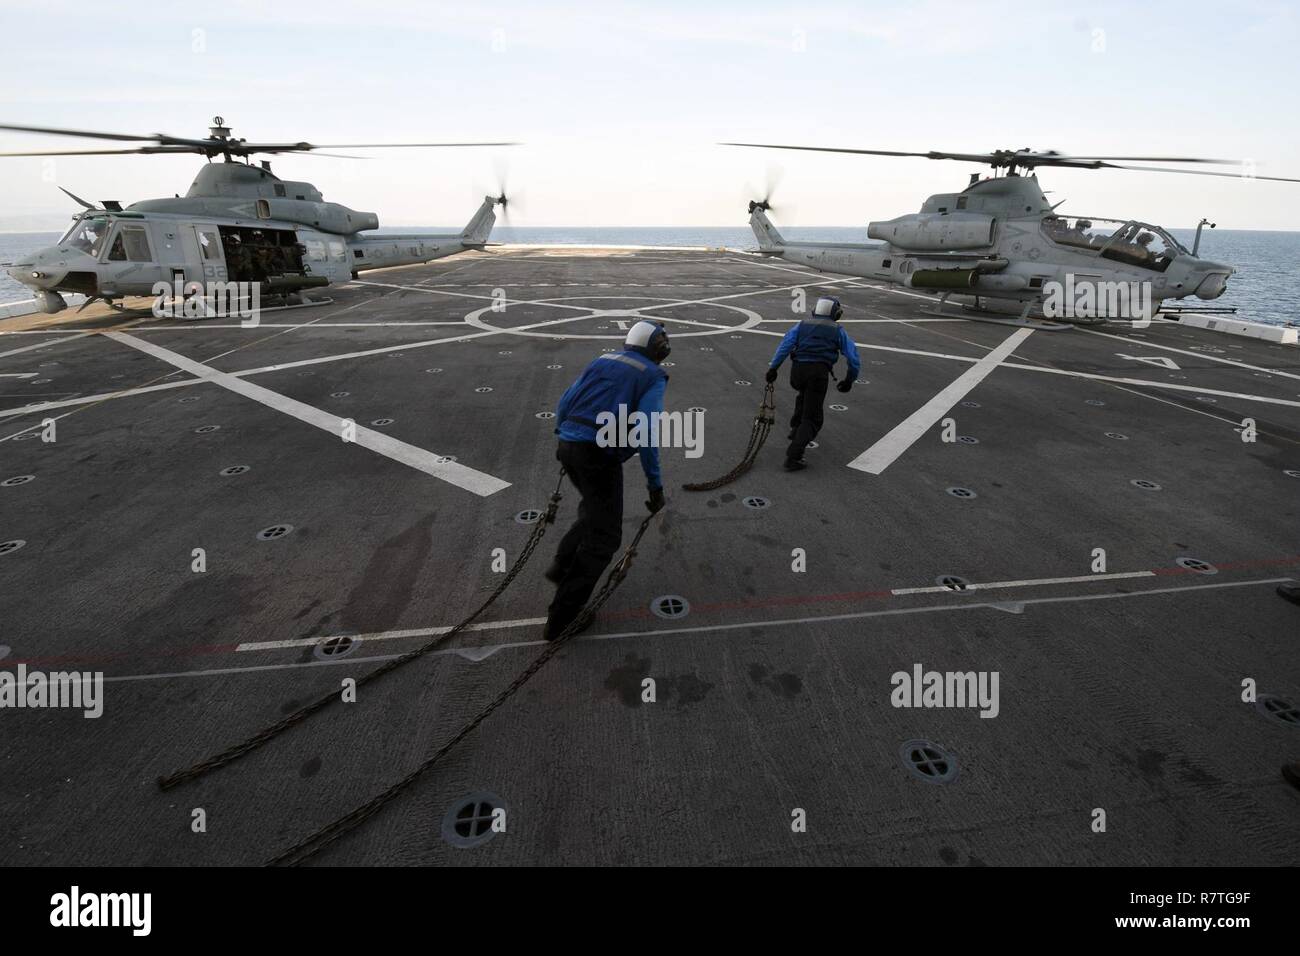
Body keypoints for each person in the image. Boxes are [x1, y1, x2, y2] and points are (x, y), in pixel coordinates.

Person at [544, 320, 671, 640]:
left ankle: (562, 566)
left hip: (569, 444)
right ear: (656, 348)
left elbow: (565, 401)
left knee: (594, 509)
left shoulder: (602, 360)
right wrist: (654, 485)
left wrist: (567, 438)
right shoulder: (653, 376)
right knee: (605, 537)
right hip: (599, 455)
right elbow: (647, 434)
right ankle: (562, 618)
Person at [764, 296, 861, 470]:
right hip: (817, 375)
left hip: (798, 373)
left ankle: (795, 429)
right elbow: (853, 359)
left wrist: (773, 368)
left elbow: (785, 345)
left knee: (803, 396)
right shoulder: (837, 331)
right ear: (836, 314)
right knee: (813, 419)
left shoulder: (802, 325)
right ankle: (794, 456)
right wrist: (849, 380)